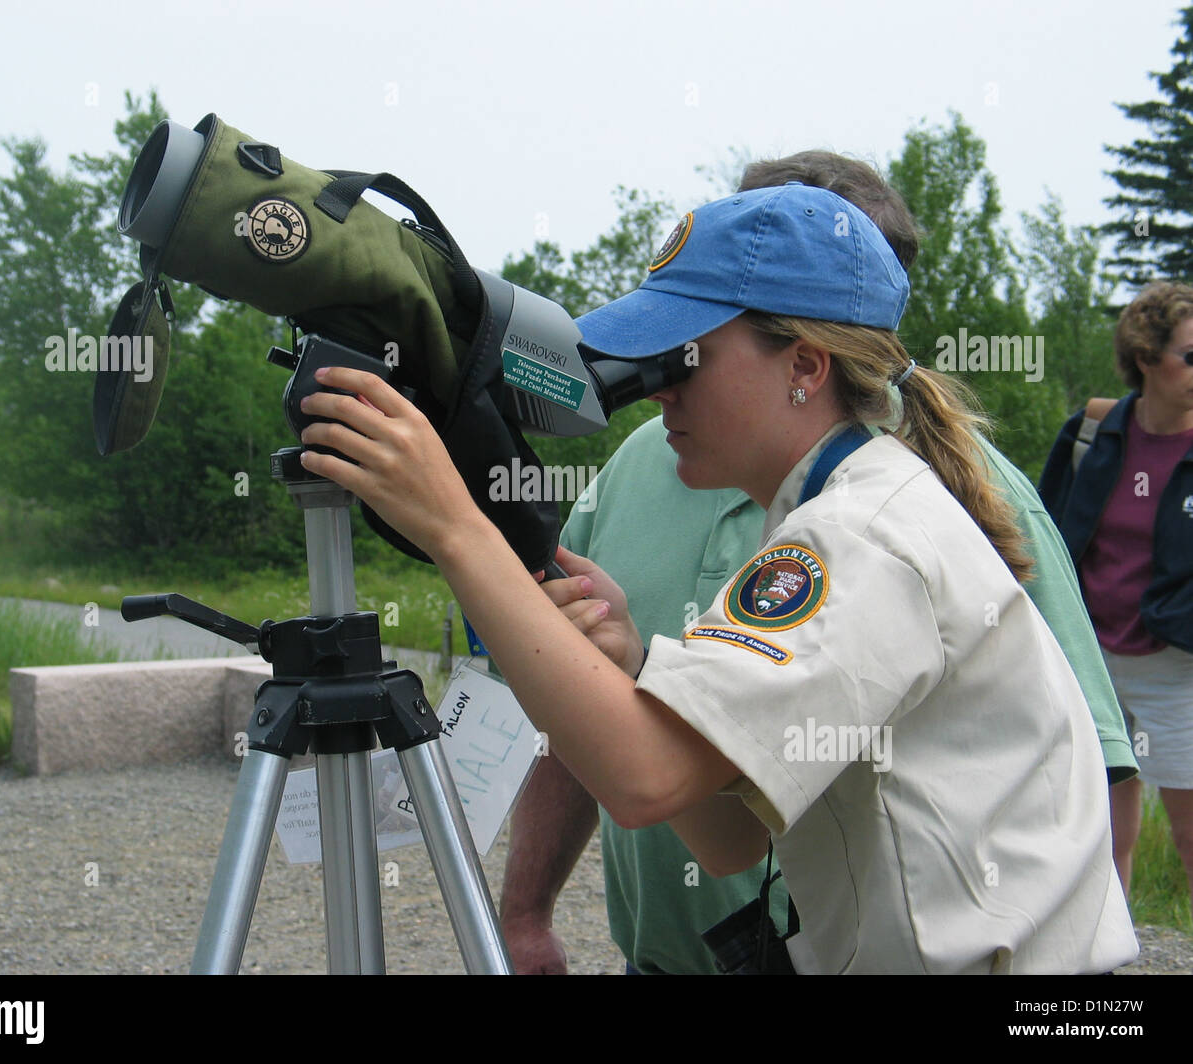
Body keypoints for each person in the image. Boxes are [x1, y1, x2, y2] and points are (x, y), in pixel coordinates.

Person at [297, 183, 1138, 972]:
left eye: (682, 357)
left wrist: (453, 525)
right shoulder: (841, 508)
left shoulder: (860, 537)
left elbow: (640, 777)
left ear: (805, 367)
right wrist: (629, 670)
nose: (658, 388)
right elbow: (729, 837)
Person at [1040, 281, 1193, 901]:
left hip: (1174, 664)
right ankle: (1111, 948)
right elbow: (1041, 528)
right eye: (1191, 355)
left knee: (1189, 832)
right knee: (1102, 823)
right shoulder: (1095, 432)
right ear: (1148, 357)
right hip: (1091, 656)